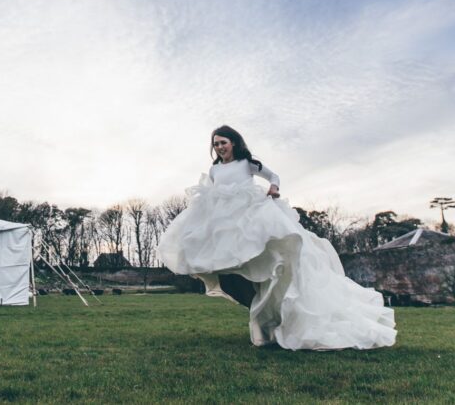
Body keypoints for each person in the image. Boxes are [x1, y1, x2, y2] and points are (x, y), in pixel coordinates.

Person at [158, 125, 396, 350]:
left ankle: (276, 309)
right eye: (216, 144)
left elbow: (274, 176)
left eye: (223, 143)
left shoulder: (247, 163)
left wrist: (273, 188)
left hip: (249, 218)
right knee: (225, 269)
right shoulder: (214, 169)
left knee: (272, 260)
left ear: (233, 143)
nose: (219, 147)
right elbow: (212, 191)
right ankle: (257, 303)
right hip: (224, 224)